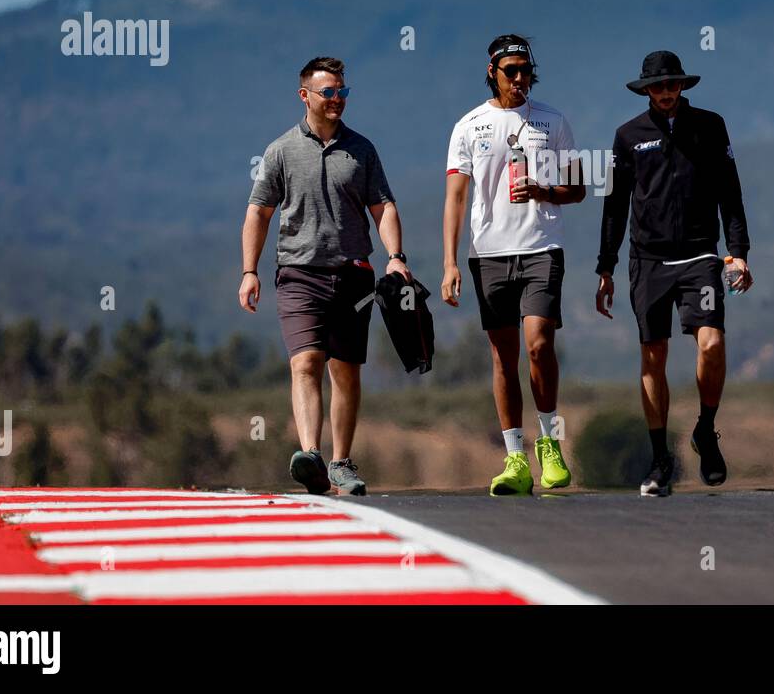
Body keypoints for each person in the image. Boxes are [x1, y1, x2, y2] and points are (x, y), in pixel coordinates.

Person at [240, 57, 412, 496]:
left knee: (346, 371)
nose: (337, 100)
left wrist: (396, 256)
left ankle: (341, 462)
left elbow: (384, 207)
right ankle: (311, 455)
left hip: (353, 273)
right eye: (328, 93)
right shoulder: (279, 151)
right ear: (305, 96)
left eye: (342, 92)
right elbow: (258, 212)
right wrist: (249, 270)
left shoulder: (363, 149)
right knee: (306, 362)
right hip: (298, 273)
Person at [596, 51, 752, 497]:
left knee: (712, 341)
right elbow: (614, 205)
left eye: (672, 85)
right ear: (646, 89)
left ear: (682, 86)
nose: (666, 93)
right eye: (658, 87)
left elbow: (731, 193)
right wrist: (605, 267)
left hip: (701, 256)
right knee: (653, 355)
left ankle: (706, 428)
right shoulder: (628, 136)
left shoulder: (710, 125)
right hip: (647, 261)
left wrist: (738, 252)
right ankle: (660, 458)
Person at [441, 35, 585, 496]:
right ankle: (515, 458)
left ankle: (549, 442)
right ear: (492, 72)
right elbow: (456, 198)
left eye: (526, 70)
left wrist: (544, 192)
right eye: (511, 71)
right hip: (488, 254)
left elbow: (578, 188)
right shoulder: (469, 125)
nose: (520, 78)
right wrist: (449, 262)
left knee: (539, 345)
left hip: (542, 247)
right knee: (503, 357)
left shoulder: (553, 120)